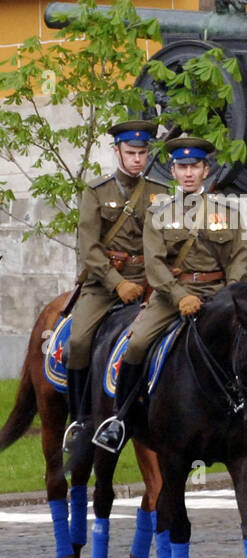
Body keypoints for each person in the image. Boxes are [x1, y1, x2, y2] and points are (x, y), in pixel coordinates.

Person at [92, 137, 247, 453]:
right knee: (135, 343)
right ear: (174, 172)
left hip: (218, 295)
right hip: (170, 296)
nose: (188, 173)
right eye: (182, 167)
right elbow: (154, 264)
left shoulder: (227, 212)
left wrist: (231, 296)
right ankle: (121, 420)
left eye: (194, 166)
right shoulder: (159, 211)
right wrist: (179, 296)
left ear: (206, 170)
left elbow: (239, 259)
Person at [63, 121, 169, 448]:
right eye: (131, 152)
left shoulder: (161, 193)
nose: (137, 159)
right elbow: (89, 248)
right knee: (78, 342)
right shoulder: (97, 191)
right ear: (117, 151)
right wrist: (117, 282)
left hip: (150, 283)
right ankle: (80, 419)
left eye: (142, 153)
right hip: (103, 283)